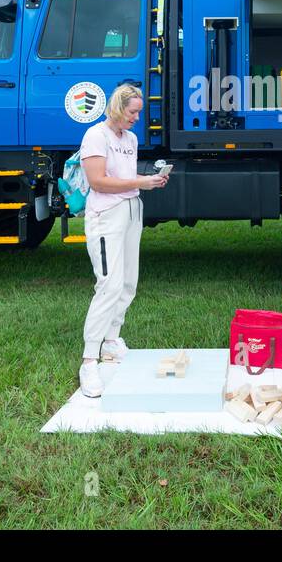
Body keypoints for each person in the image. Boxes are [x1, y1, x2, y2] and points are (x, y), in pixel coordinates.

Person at [76, 84, 168, 397]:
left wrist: (150, 181)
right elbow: (98, 181)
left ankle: (111, 342)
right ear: (117, 108)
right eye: (133, 112)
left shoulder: (130, 139)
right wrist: (142, 181)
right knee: (109, 284)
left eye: (139, 112)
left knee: (129, 282)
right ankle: (89, 359)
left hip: (132, 210)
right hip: (106, 216)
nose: (137, 118)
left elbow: (124, 178)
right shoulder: (95, 136)